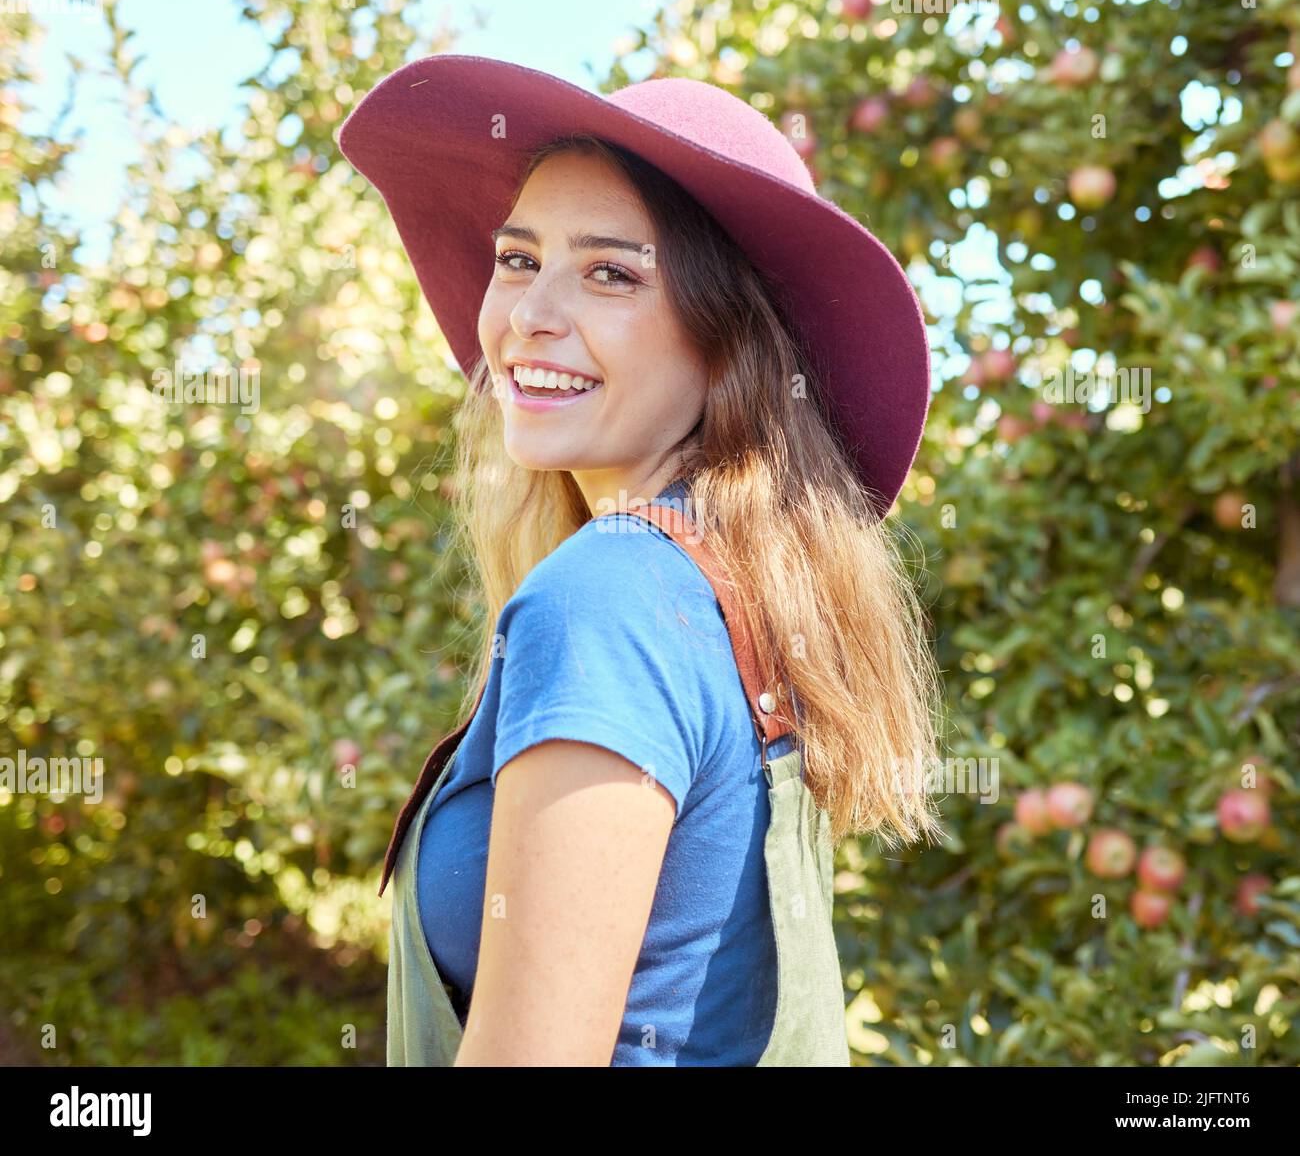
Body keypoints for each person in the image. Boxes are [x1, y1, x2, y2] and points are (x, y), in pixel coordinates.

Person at [336, 54, 947, 1066]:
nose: (528, 314)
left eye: (611, 272)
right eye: (519, 258)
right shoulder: (723, 600)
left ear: (727, 344)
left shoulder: (606, 600)